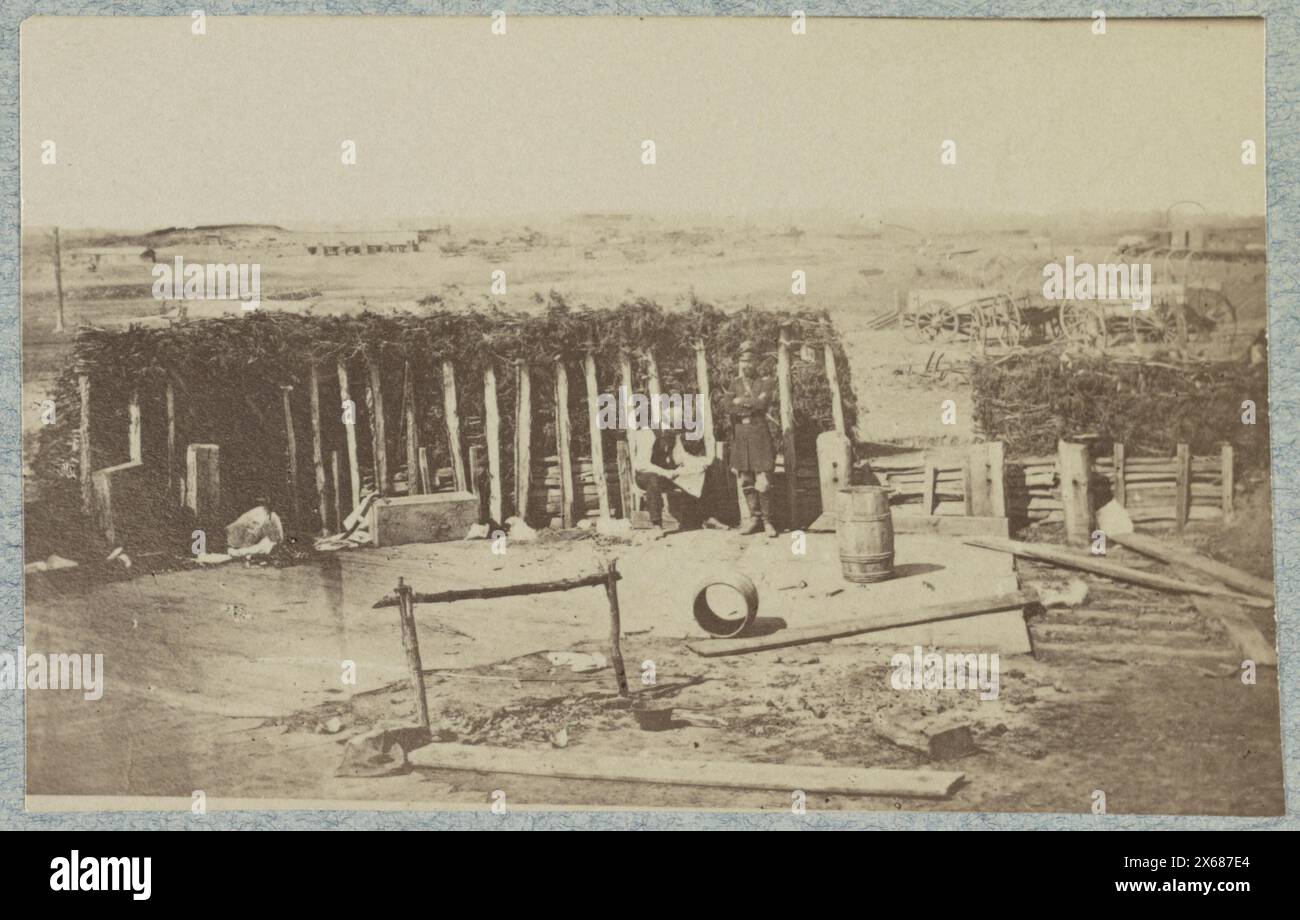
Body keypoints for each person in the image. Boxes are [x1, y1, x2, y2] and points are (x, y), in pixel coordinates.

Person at [630, 401, 726, 533]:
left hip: (665, 474)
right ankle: (656, 524)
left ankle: (707, 516)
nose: (677, 430)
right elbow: (641, 464)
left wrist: (700, 462)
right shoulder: (648, 433)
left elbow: (680, 457)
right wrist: (664, 472)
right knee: (653, 479)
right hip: (645, 475)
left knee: (703, 471)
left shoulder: (672, 434)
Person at [729, 340, 779, 536]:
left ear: (756, 362)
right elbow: (727, 407)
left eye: (750, 361)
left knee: (763, 480)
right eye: (742, 360)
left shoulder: (766, 382)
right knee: (746, 480)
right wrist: (746, 403)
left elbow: (762, 405)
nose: (746, 364)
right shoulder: (734, 383)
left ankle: (768, 522)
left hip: (759, 434)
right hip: (741, 435)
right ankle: (754, 519)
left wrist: (740, 401)